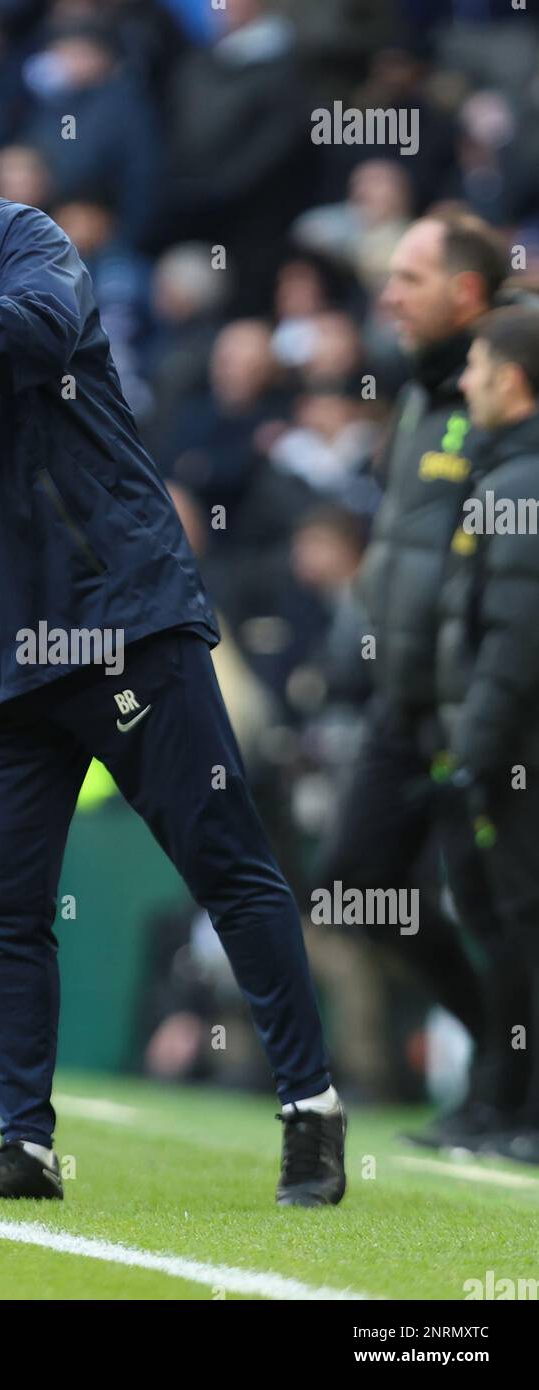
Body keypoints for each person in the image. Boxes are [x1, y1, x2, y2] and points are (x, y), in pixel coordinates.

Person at [0, 100, 345, 1206]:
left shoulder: (22, 242)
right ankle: (26, 1146)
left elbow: (40, 337)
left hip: (115, 627)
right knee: (1, 911)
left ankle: (308, 1108)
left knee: (224, 862)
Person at [318, 210, 532, 1148]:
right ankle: (498, 1057)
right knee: (353, 885)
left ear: (468, 293)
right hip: (403, 696)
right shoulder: (415, 390)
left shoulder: (507, 394)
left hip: (470, 697)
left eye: (410, 278)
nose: (389, 297)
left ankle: (502, 1093)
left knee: (502, 902)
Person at [436, 306, 539, 1163]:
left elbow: (514, 635)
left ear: (512, 379)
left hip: (518, 750)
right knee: (507, 920)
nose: (464, 384)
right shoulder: (502, 473)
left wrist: (477, 746)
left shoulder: (520, 485)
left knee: (523, 918)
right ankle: (504, 1106)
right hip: (504, 742)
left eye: (475, 367)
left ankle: (522, 1113)